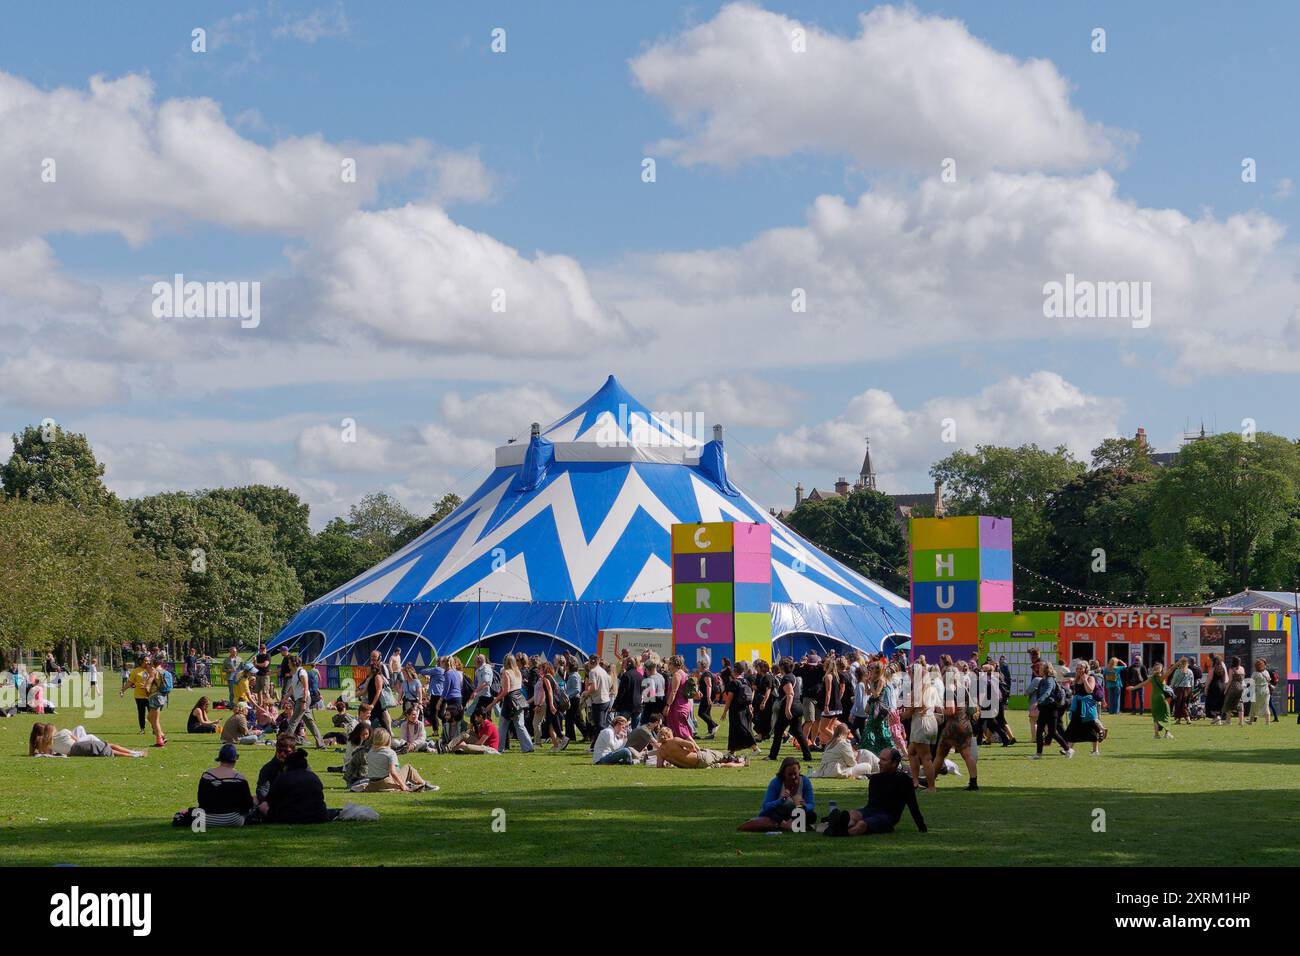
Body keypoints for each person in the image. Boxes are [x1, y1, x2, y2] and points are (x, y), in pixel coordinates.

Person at [841, 747, 928, 836]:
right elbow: (871, 805)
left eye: (883, 760)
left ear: (894, 763)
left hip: (888, 816)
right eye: (880, 759)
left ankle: (839, 833)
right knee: (853, 814)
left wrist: (921, 827)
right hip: (872, 811)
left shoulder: (904, 780)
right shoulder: (875, 778)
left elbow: (913, 805)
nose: (879, 762)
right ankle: (837, 826)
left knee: (861, 824)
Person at [259, 747, 339, 823]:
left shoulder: (283, 778)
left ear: (288, 765)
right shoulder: (314, 777)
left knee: (262, 806)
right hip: (318, 816)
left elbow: (270, 801)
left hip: (289, 817)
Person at [738, 757, 815, 831]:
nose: (793, 777)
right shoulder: (776, 782)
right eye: (790, 774)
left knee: (812, 816)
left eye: (795, 774)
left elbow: (811, 804)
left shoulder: (805, 781)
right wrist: (780, 801)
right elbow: (766, 806)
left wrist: (805, 807)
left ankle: (788, 824)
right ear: (784, 773)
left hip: (795, 813)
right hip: (779, 814)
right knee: (769, 812)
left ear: (799, 771)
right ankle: (785, 824)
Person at [361, 727, 437, 791]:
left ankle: (420, 783)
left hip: (372, 785)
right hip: (385, 784)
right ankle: (423, 784)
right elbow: (393, 772)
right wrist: (403, 785)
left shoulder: (370, 752)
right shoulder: (390, 752)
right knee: (408, 767)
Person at [197, 744, 255, 827]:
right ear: (235, 759)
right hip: (231, 819)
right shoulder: (239, 778)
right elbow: (247, 804)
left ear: (220, 759)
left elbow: (201, 800)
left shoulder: (207, 775)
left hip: (206, 819)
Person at [767, 657, 813, 761]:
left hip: (790, 708)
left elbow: (790, 694)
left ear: (782, 667)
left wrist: (787, 709)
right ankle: (807, 756)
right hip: (797, 707)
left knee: (778, 731)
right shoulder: (793, 676)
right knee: (798, 733)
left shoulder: (787, 678)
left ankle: (772, 756)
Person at [1029, 664, 1073, 759]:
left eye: (1040, 668)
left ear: (1045, 670)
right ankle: (1038, 754)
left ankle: (1068, 749)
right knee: (1039, 731)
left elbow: (1047, 692)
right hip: (1044, 708)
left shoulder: (1050, 680)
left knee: (1053, 732)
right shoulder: (1042, 680)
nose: (1039, 670)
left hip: (1052, 709)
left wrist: (1038, 702)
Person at [493, 654, 534, 753]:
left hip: (509, 701)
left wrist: (495, 700)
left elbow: (506, 690)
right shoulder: (517, 672)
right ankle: (528, 747)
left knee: (503, 726)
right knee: (520, 725)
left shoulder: (506, 672)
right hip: (519, 699)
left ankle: (499, 748)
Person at [30, 722, 144, 758]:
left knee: (109, 748)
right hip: (79, 745)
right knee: (109, 747)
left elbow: (44, 753)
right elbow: (76, 740)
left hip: (73, 750)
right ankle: (134, 753)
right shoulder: (63, 732)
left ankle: (134, 753)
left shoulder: (48, 744)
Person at [285, 655, 326, 748]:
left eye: (289, 662)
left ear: (293, 663)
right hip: (300, 699)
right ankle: (321, 743)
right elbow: (293, 687)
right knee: (309, 723)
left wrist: (303, 702)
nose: (288, 664)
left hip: (303, 699)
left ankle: (285, 743)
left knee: (293, 721)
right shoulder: (295, 673)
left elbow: (306, 686)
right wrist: (286, 696)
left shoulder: (301, 672)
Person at [1064, 663, 1104, 756]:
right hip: (1077, 705)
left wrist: (1085, 680)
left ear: (1086, 668)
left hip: (1086, 705)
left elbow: (1089, 690)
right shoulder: (1076, 678)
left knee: (1090, 725)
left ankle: (1095, 750)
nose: (1079, 670)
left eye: (1081, 668)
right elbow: (1075, 691)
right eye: (1077, 668)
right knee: (1073, 725)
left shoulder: (1091, 678)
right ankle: (1069, 749)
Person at [655, 729, 746, 768]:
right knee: (723, 757)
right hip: (700, 757)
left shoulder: (660, 751)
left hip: (695, 767)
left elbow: (659, 766)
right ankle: (741, 760)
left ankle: (741, 764)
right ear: (669, 734)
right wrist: (690, 751)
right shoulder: (674, 740)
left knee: (721, 765)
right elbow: (691, 745)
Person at [722, 659, 756, 752]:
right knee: (737, 730)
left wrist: (725, 712)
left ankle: (755, 747)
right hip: (745, 709)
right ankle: (731, 751)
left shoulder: (734, 682)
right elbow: (749, 696)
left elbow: (729, 699)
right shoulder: (746, 681)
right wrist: (750, 708)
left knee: (739, 729)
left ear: (735, 670)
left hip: (735, 710)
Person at [256, 733, 296, 803]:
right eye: (279, 751)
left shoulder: (302, 768)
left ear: (293, 751)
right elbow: (262, 791)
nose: (282, 754)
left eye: (286, 752)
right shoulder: (268, 769)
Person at [585, 656, 614, 740]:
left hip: (599, 701)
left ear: (590, 662)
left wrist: (586, 693)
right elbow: (610, 684)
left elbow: (594, 687)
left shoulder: (593, 672)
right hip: (606, 700)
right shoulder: (603, 671)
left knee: (599, 726)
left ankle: (602, 743)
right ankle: (596, 745)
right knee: (601, 724)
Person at [365, 650, 394, 734]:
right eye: (372, 656)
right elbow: (367, 679)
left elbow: (387, 679)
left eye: (375, 656)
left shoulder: (383, 666)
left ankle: (389, 731)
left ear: (379, 657)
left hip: (382, 693)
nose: (373, 658)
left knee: (384, 712)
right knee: (382, 714)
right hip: (373, 693)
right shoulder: (370, 666)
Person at [143, 658, 169, 748]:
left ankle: (159, 740)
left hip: (155, 696)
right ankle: (161, 735)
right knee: (149, 717)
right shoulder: (163, 671)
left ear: (153, 664)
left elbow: (148, 684)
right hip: (162, 697)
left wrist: (146, 688)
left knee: (155, 720)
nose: (148, 665)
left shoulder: (154, 672)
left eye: (149, 664)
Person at [122, 655, 150, 735]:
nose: (147, 662)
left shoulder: (151, 670)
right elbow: (130, 682)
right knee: (141, 713)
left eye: (148, 660)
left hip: (150, 695)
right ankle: (142, 729)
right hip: (139, 696)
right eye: (146, 660)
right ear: (141, 661)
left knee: (152, 714)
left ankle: (155, 729)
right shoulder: (135, 671)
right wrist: (123, 690)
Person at [694, 660, 718, 739]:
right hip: (708, 696)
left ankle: (714, 725)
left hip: (707, 696)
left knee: (701, 713)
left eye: (699, 666)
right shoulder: (707, 673)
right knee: (707, 713)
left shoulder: (706, 674)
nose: (698, 667)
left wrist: (708, 698)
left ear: (702, 666)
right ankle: (711, 732)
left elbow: (709, 685)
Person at [639, 659, 665, 727]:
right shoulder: (661, 676)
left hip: (651, 707)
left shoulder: (650, 679)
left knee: (646, 725)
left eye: (645, 669)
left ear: (648, 669)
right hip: (660, 706)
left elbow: (649, 697)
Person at [1222, 656, 1246, 727]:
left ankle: (1228, 721)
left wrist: (1226, 690)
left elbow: (1230, 681)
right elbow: (1242, 678)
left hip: (1233, 687)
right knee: (1240, 703)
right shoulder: (1242, 668)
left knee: (1228, 703)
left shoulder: (1231, 669)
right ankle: (1241, 721)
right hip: (1240, 687)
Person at [1170, 658, 1193, 724]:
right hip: (1188, 689)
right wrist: (1192, 690)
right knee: (1183, 704)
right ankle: (1179, 719)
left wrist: (1171, 687)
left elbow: (1174, 680)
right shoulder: (1190, 671)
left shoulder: (1178, 671)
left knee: (1179, 704)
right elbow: (1192, 681)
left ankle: (1187, 719)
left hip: (1179, 689)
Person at [1249, 659, 1272, 725]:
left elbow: (1251, 682)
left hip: (1257, 691)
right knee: (1266, 706)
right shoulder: (1266, 672)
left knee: (1253, 706)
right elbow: (1269, 680)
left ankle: (1250, 721)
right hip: (1266, 691)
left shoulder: (1255, 673)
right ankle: (1267, 722)